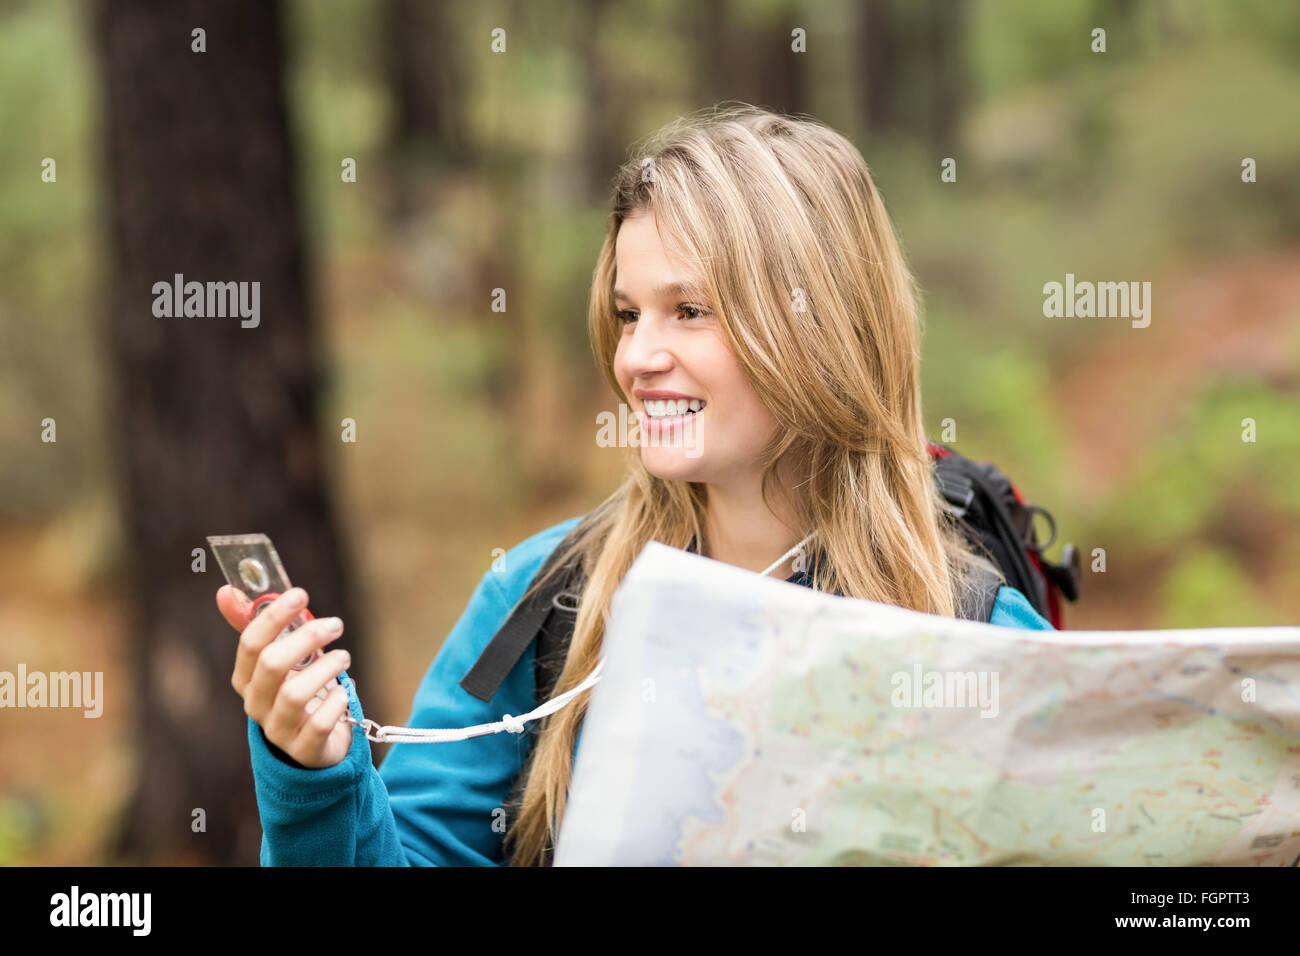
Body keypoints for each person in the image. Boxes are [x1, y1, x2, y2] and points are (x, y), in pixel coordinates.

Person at [216, 104, 1053, 867]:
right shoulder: (542, 601)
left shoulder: (969, 628)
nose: (637, 358)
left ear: (820, 328)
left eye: (690, 311)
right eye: (627, 313)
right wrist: (318, 775)